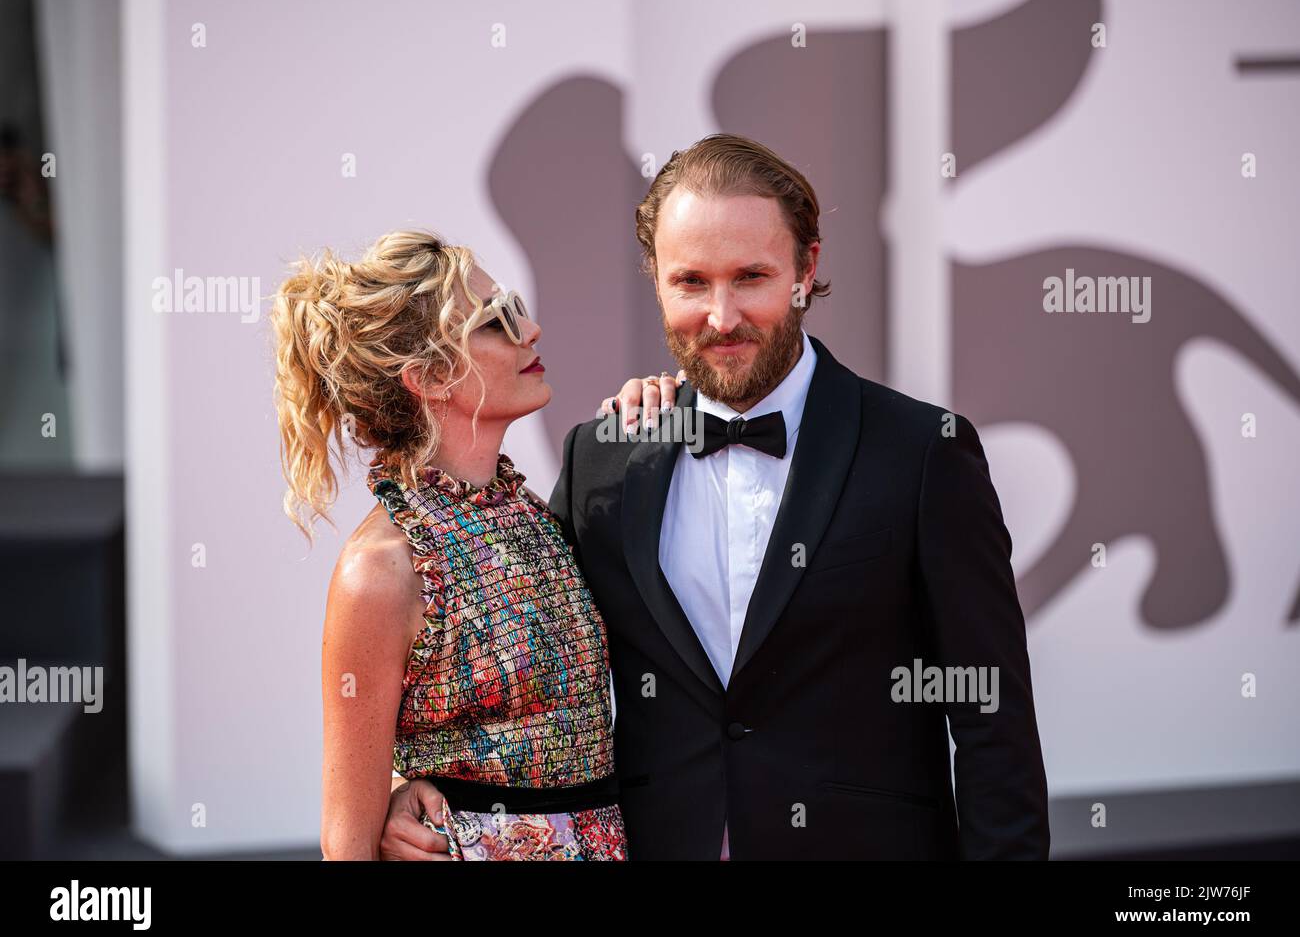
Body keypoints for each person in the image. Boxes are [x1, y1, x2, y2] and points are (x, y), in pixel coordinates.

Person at [382, 134, 1051, 860]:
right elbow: (534, 679)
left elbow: (991, 715)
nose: (722, 317)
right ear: (658, 281)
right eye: (692, 282)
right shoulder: (604, 457)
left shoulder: (923, 452)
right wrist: (412, 784)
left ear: (807, 269)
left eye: (751, 278)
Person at [270, 229, 678, 859]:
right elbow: (345, 841)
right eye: (498, 321)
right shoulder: (381, 568)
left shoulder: (535, 519)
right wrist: (402, 791)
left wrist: (648, 415)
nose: (531, 329)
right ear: (431, 377)